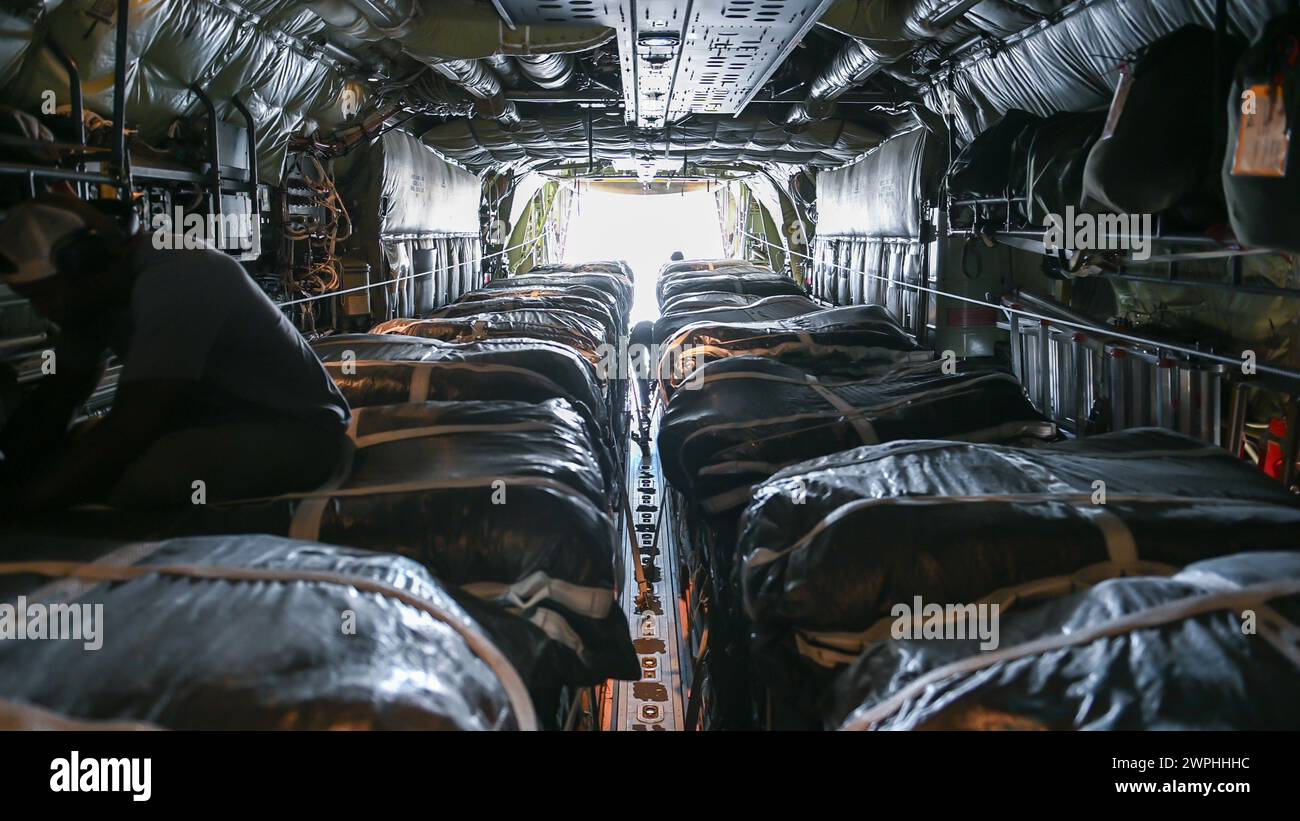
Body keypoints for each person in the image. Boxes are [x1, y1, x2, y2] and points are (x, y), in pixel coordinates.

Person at [0, 195, 351, 514]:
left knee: (145, 480)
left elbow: (132, 425)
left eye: (45, 296)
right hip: (218, 422)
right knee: (73, 451)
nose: (44, 311)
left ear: (85, 265)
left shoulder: (180, 276)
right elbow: (62, 393)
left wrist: (25, 506)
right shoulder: (93, 294)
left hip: (301, 433)